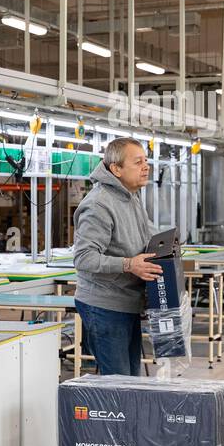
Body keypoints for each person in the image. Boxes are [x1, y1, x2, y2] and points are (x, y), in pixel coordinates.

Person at [73, 137, 162, 376]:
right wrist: (129, 264)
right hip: (104, 304)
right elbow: (83, 258)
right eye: (138, 162)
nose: (146, 167)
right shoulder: (100, 205)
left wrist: (171, 245)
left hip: (127, 301)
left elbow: (147, 234)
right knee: (118, 382)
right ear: (116, 169)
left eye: (146, 161)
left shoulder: (131, 197)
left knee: (130, 379)